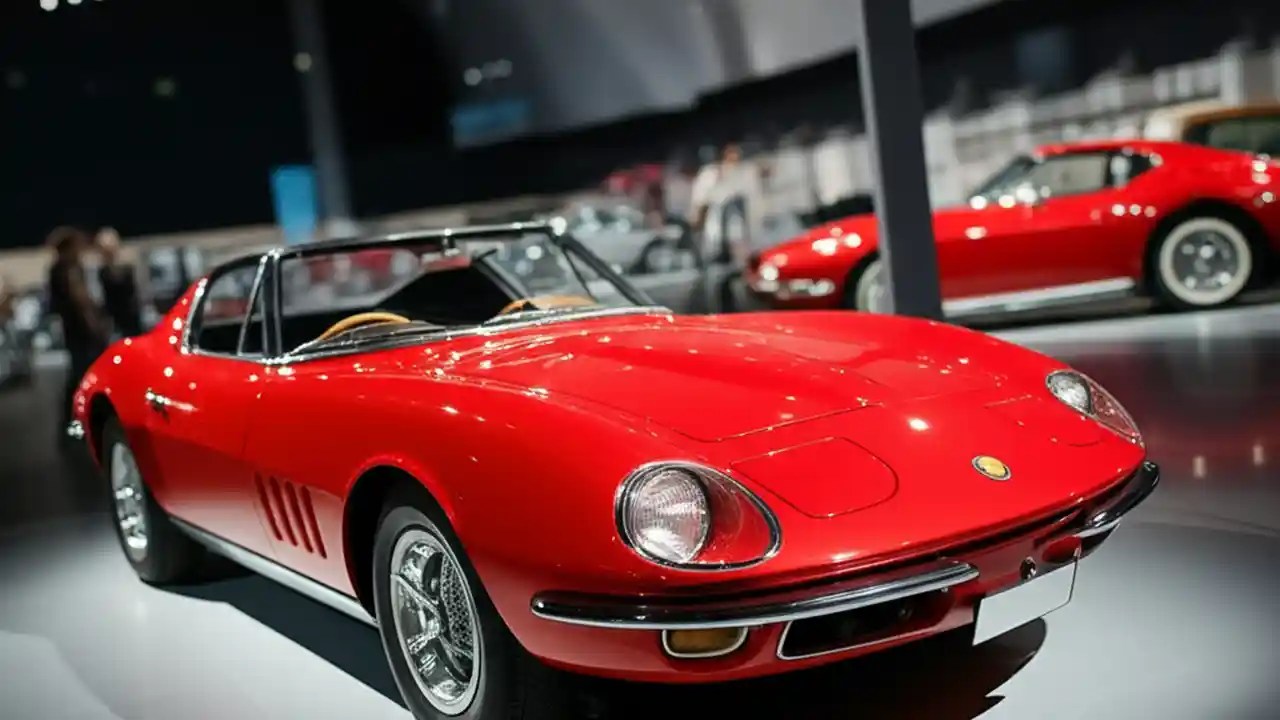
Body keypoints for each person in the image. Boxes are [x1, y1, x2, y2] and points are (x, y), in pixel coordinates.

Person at [47, 226, 108, 437]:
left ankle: (74, 420)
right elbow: (80, 300)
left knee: (80, 373)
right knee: (81, 374)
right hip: (81, 330)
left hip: (73, 329)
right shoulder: (69, 269)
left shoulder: (58, 269)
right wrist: (94, 326)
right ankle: (76, 421)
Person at [96, 227, 143, 337]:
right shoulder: (102, 271)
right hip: (113, 318)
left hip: (132, 315)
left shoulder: (127, 267)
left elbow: (138, 290)